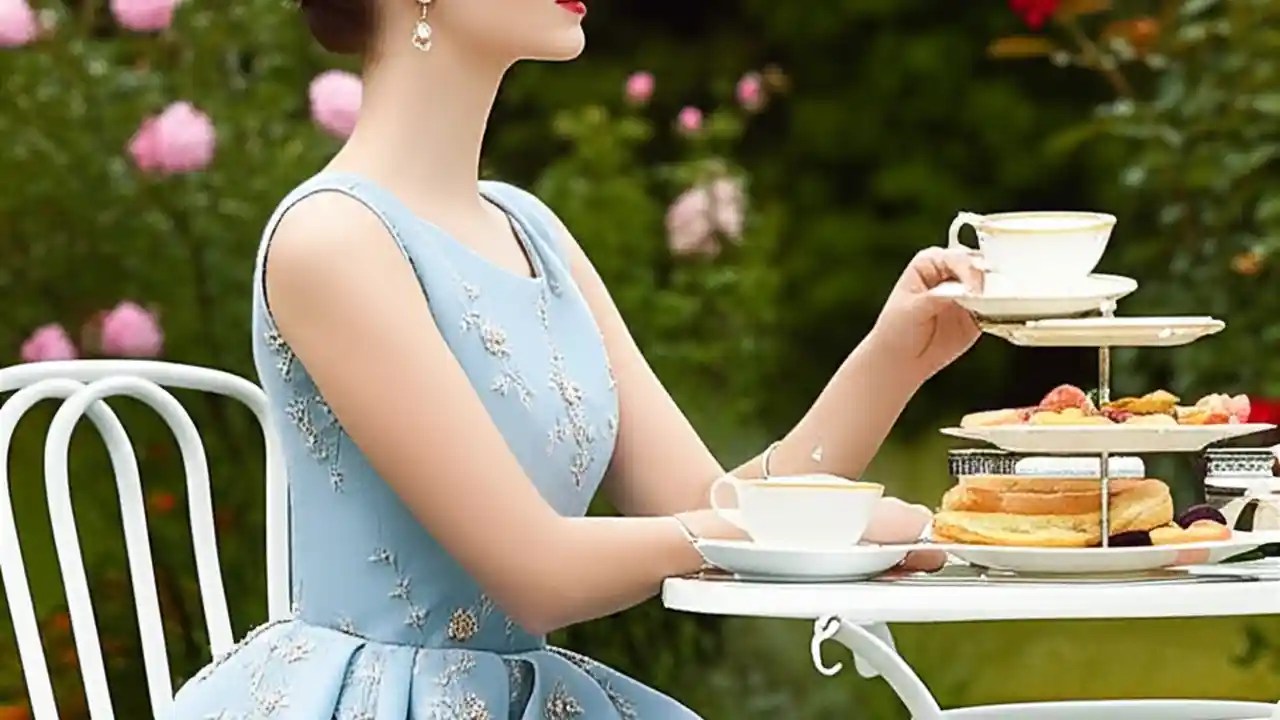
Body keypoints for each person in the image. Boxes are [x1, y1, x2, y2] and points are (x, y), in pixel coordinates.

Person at [166, 0, 984, 717]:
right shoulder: (332, 241)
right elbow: (538, 570)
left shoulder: (532, 231)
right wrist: (824, 531)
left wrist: (892, 360)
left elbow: (707, 503)